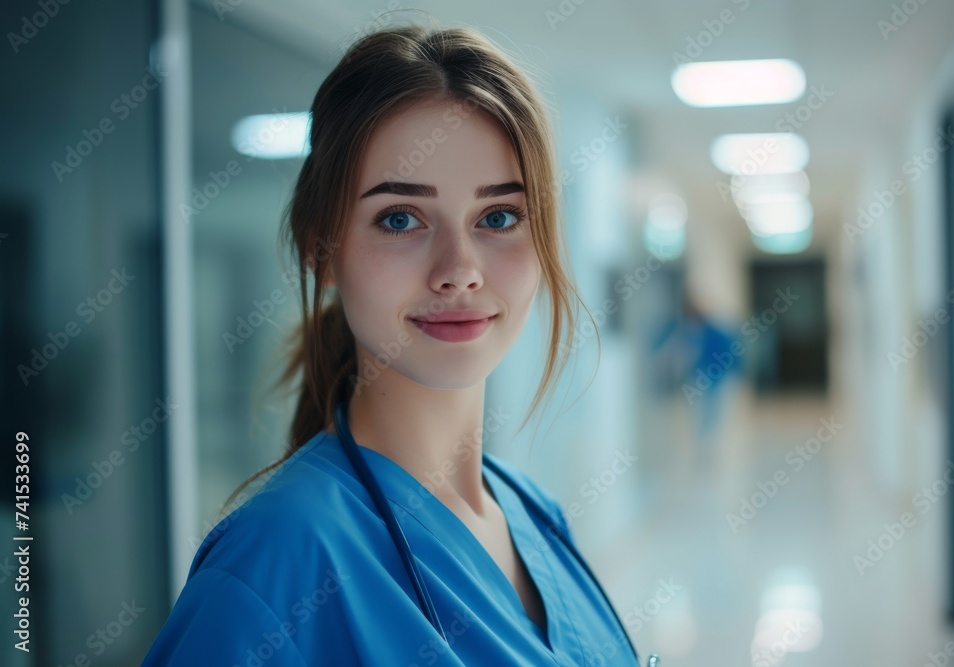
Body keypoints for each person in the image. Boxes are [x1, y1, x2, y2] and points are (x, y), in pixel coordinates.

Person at [143, 19, 647, 666]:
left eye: (499, 217)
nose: (459, 267)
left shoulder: (532, 510)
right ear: (320, 251)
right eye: (401, 218)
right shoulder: (274, 561)